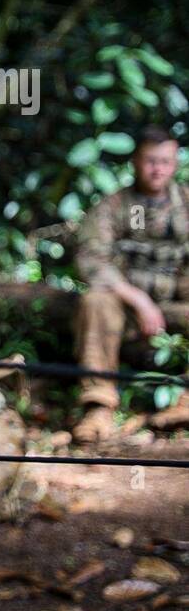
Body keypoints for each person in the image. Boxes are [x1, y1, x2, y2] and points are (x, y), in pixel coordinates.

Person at [73, 125, 189, 443]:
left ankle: (185, 403)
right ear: (136, 162)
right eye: (150, 160)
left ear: (175, 163)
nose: (157, 169)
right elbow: (90, 260)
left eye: (165, 161)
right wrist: (138, 299)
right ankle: (98, 408)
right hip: (125, 308)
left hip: (178, 305)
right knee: (94, 300)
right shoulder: (114, 206)